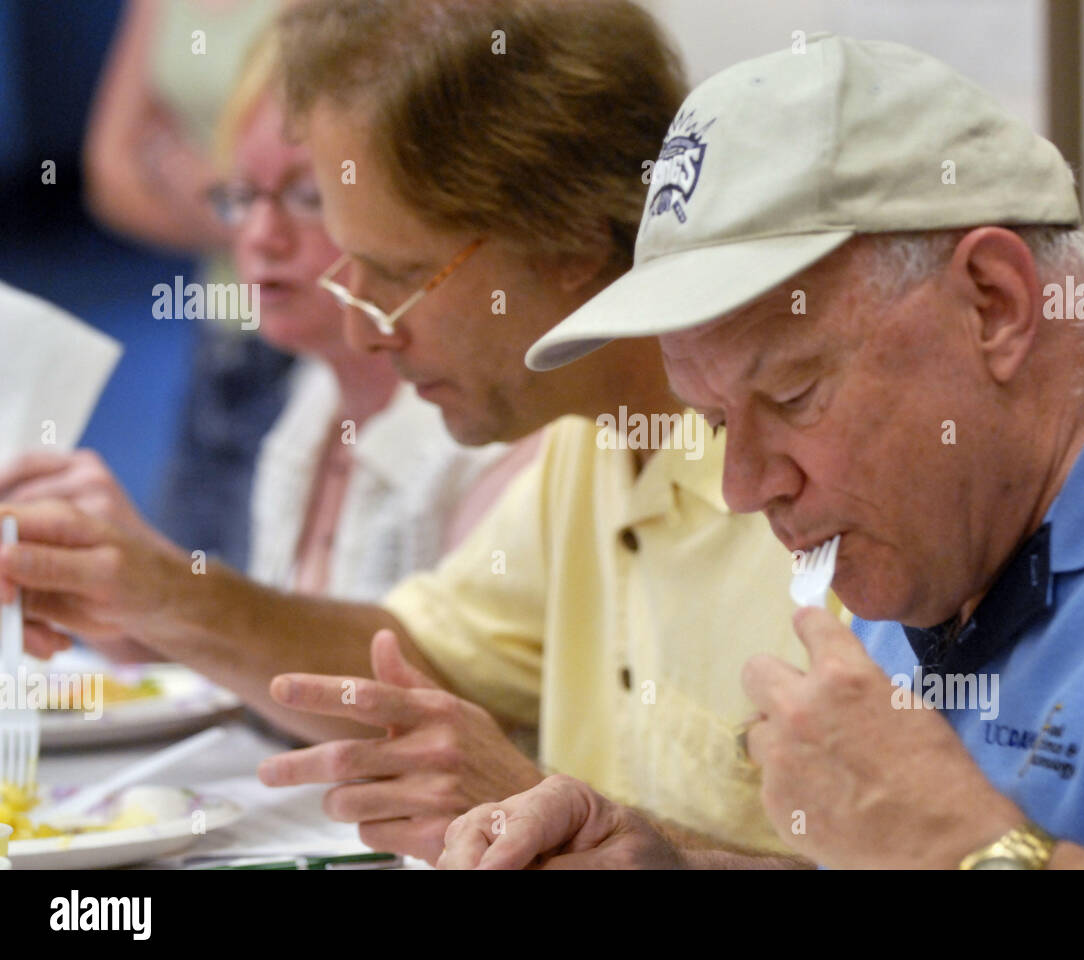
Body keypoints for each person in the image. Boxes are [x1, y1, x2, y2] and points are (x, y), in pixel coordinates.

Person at [438, 36, 1084, 870]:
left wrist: (967, 849)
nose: (744, 488)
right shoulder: (952, 519)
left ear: (994, 304)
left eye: (794, 396)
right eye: (716, 423)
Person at [0, 0, 815, 863]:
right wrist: (162, 593)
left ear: (568, 240)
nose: (364, 330)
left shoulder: (807, 490)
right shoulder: (592, 436)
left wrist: (541, 806)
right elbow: (417, 662)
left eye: (401, 274)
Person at [0, 26, 531, 651]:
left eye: (309, 197)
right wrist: (92, 583)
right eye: (240, 197)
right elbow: (266, 672)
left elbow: (421, 691)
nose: (259, 237)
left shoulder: (485, 432)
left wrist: (158, 585)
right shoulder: (309, 400)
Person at [84, 0, 291, 571]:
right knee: (191, 572)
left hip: (324, 335)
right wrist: (253, 215)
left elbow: (349, 190)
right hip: (223, 327)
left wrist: (173, 164)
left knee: (287, 581)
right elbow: (110, 177)